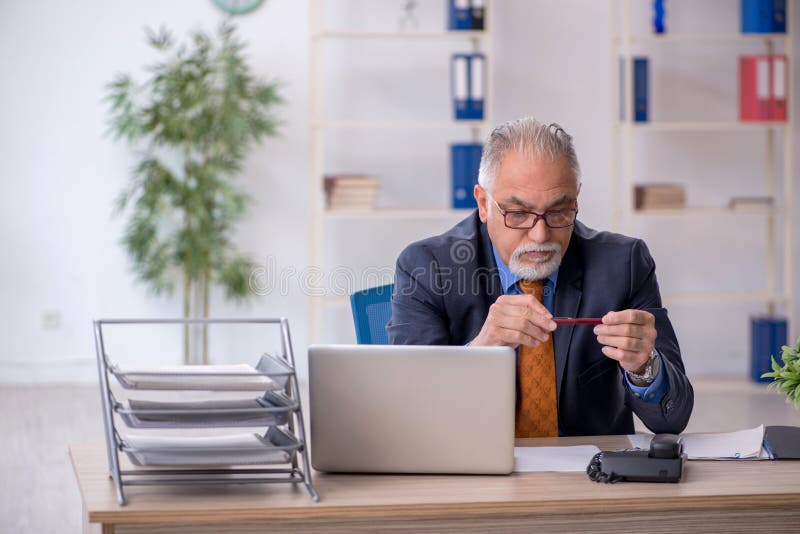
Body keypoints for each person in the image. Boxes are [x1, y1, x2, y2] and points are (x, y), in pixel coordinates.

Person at [387, 117, 693, 437]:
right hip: (468, 476)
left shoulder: (624, 264)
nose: (540, 235)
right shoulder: (427, 267)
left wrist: (644, 368)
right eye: (518, 214)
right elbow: (410, 415)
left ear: (576, 200)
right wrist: (482, 349)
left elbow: (672, 420)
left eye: (559, 212)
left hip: (590, 481)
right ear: (483, 204)